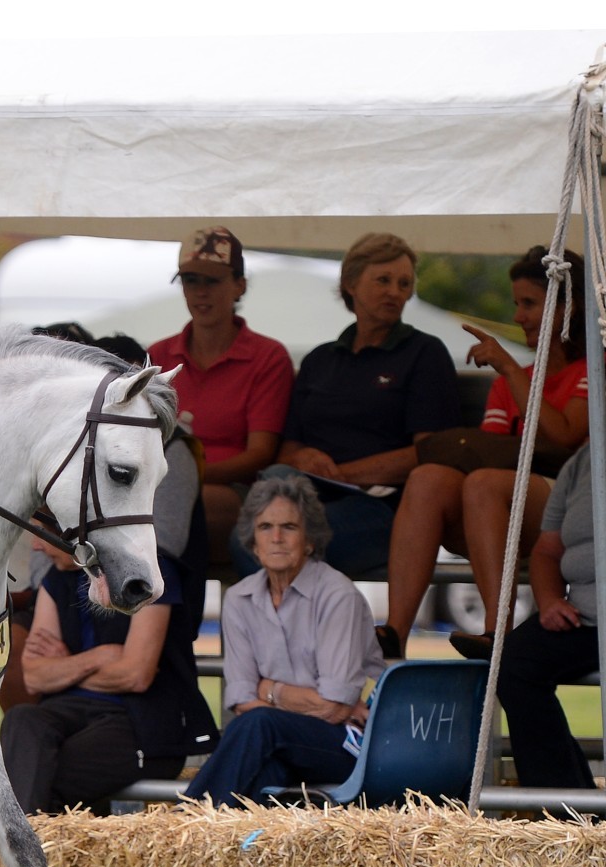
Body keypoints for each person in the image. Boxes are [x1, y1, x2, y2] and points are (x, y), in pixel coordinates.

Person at [0, 333, 218, 816]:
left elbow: (137, 675)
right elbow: (34, 675)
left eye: (44, 532)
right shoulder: (59, 582)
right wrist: (100, 657)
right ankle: (32, 847)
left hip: (143, 721)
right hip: (79, 712)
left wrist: (71, 668)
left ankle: (20, 849)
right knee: (21, 726)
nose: (35, 544)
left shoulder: (149, 574)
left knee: (40, 772)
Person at [377, 247, 589, 660]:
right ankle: (394, 632)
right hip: (507, 509)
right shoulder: (514, 380)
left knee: (484, 483)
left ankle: (498, 633)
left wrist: (511, 370)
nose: (517, 316)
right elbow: (491, 452)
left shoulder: (591, 370)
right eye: (516, 304)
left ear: (569, 308)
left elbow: (564, 437)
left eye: (529, 304)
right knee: (429, 479)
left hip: (573, 506)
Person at [244, 232, 461, 578]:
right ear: (350, 283)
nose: (395, 292)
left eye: (404, 283)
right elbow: (287, 450)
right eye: (383, 280)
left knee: (273, 541)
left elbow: (431, 452)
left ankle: (283, 630)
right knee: (273, 489)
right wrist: (304, 458)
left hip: (384, 505)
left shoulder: (423, 353)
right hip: (307, 496)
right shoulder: (320, 360)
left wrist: (343, 474)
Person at [184, 476, 386, 808]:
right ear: (252, 542)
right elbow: (240, 700)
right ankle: (233, 849)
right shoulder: (239, 598)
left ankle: (189, 820)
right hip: (282, 744)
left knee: (261, 725)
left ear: (309, 541)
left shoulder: (338, 595)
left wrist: (269, 690)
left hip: (353, 743)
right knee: (265, 773)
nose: (276, 538)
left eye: (289, 527)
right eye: (265, 527)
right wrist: (291, 701)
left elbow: (335, 707)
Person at [148, 227, 294, 565]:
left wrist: (180, 476)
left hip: (238, 493)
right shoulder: (159, 353)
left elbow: (260, 455)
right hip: (163, 486)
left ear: (239, 285)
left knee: (183, 506)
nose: (200, 292)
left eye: (212, 281)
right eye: (190, 280)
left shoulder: (268, 357)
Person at [493, 447, 599, 792]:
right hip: (586, 615)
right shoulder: (581, 460)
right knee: (515, 663)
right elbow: (547, 551)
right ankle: (567, 809)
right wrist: (551, 601)